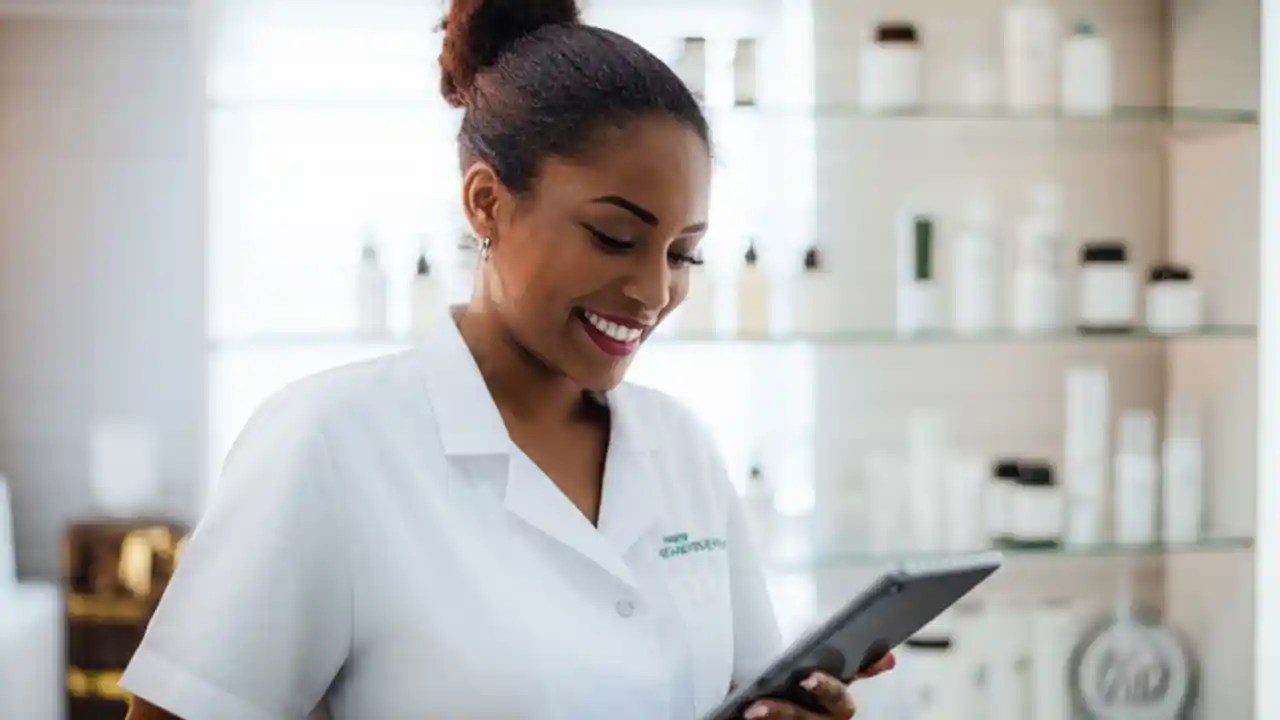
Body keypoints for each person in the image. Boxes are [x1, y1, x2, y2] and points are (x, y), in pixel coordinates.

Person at [121, 1, 892, 717]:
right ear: (487, 202)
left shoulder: (680, 449)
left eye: (684, 254)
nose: (654, 291)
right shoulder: (327, 442)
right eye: (614, 238)